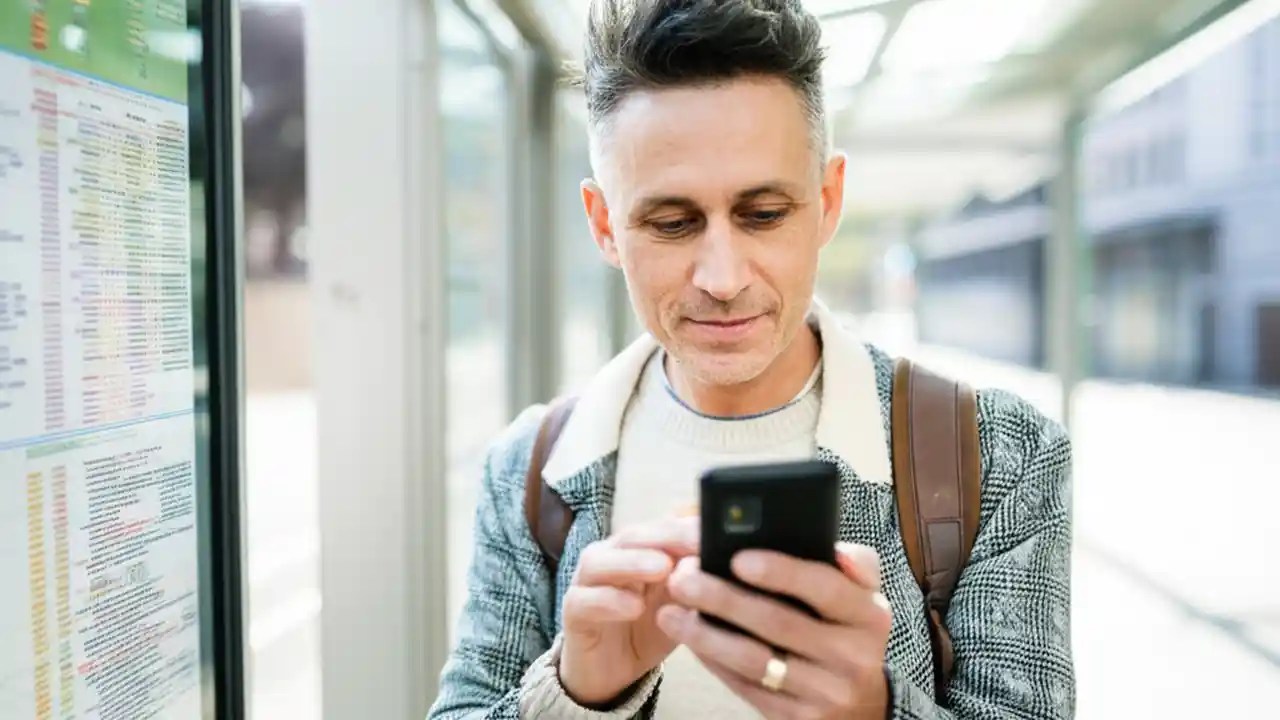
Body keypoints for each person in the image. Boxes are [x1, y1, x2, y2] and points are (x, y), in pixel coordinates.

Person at [427, 0, 1074, 717]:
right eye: (672, 224)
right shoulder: (528, 469)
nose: (723, 277)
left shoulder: (999, 454)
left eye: (763, 215)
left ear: (827, 201)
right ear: (605, 225)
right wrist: (575, 693)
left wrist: (871, 709)